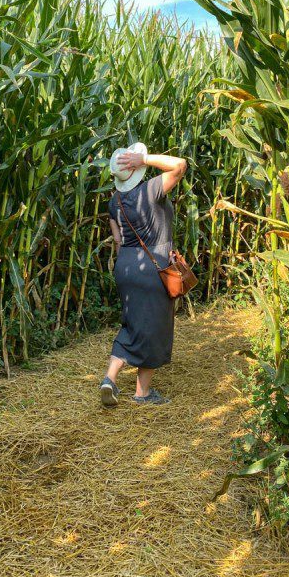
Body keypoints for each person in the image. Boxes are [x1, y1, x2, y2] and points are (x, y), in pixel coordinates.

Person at [100, 143, 187, 406]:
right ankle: (142, 394)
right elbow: (180, 165)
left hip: (125, 265)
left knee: (131, 323)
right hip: (153, 266)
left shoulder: (114, 201)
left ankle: (109, 379)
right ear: (136, 170)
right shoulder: (150, 190)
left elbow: (117, 240)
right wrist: (144, 158)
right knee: (152, 327)